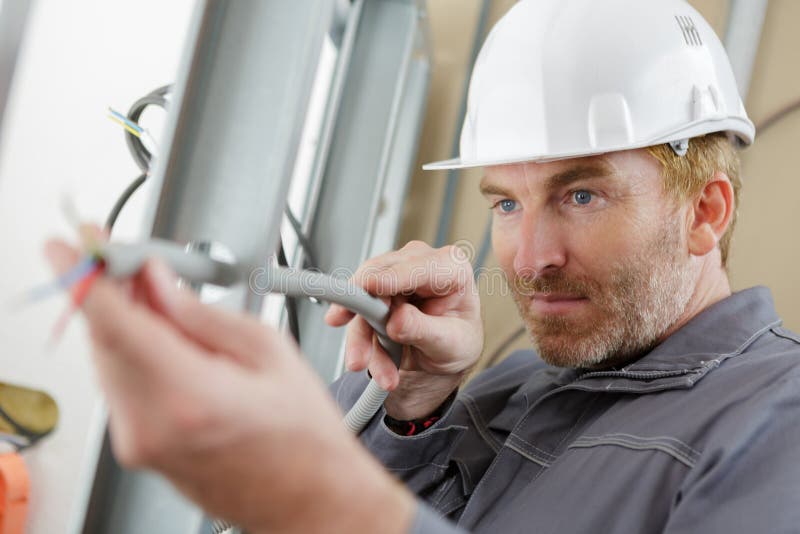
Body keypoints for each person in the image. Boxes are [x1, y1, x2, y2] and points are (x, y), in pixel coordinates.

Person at [45, 0, 800, 532]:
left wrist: (316, 490)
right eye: (507, 203)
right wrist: (412, 410)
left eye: (581, 195)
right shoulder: (517, 386)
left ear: (705, 212)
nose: (530, 259)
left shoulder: (774, 422)